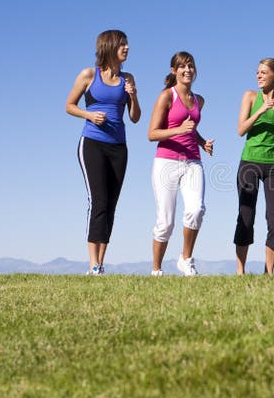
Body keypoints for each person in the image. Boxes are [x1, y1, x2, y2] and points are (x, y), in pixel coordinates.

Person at [65, 30, 141, 275]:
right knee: (97, 201)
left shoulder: (128, 78)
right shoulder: (89, 74)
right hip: (92, 144)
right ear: (109, 46)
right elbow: (69, 105)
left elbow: (135, 117)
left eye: (127, 44)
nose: (127, 48)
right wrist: (89, 115)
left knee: (111, 203)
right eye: (122, 44)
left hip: (119, 147)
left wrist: (133, 95)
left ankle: (101, 263)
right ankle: (92, 264)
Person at [148, 51, 214, 277]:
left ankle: (186, 259)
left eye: (191, 66)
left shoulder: (199, 100)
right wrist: (179, 130)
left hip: (193, 160)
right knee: (166, 221)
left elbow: (191, 128)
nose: (187, 70)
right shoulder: (167, 96)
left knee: (197, 209)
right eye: (182, 67)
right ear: (174, 71)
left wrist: (202, 142)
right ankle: (156, 269)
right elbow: (152, 133)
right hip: (166, 162)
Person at [234, 58, 274, 275]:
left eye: (263, 72)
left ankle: (268, 272)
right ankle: (240, 271)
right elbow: (241, 130)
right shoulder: (250, 97)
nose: (258, 76)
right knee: (246, 215)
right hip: (250, 161)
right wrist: (260, 111)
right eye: (258, 72)